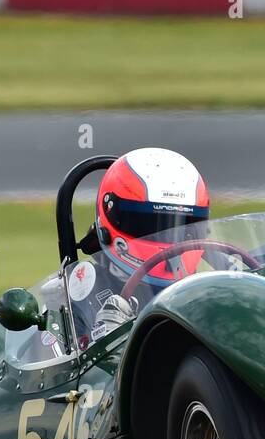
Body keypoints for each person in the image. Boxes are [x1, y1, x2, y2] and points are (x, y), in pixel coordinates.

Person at [71, 148, 211, 346]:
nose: (166, 237)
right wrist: (103, 345)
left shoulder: (214, 285)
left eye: (182, 226)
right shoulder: (80, 292)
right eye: (146, 224)